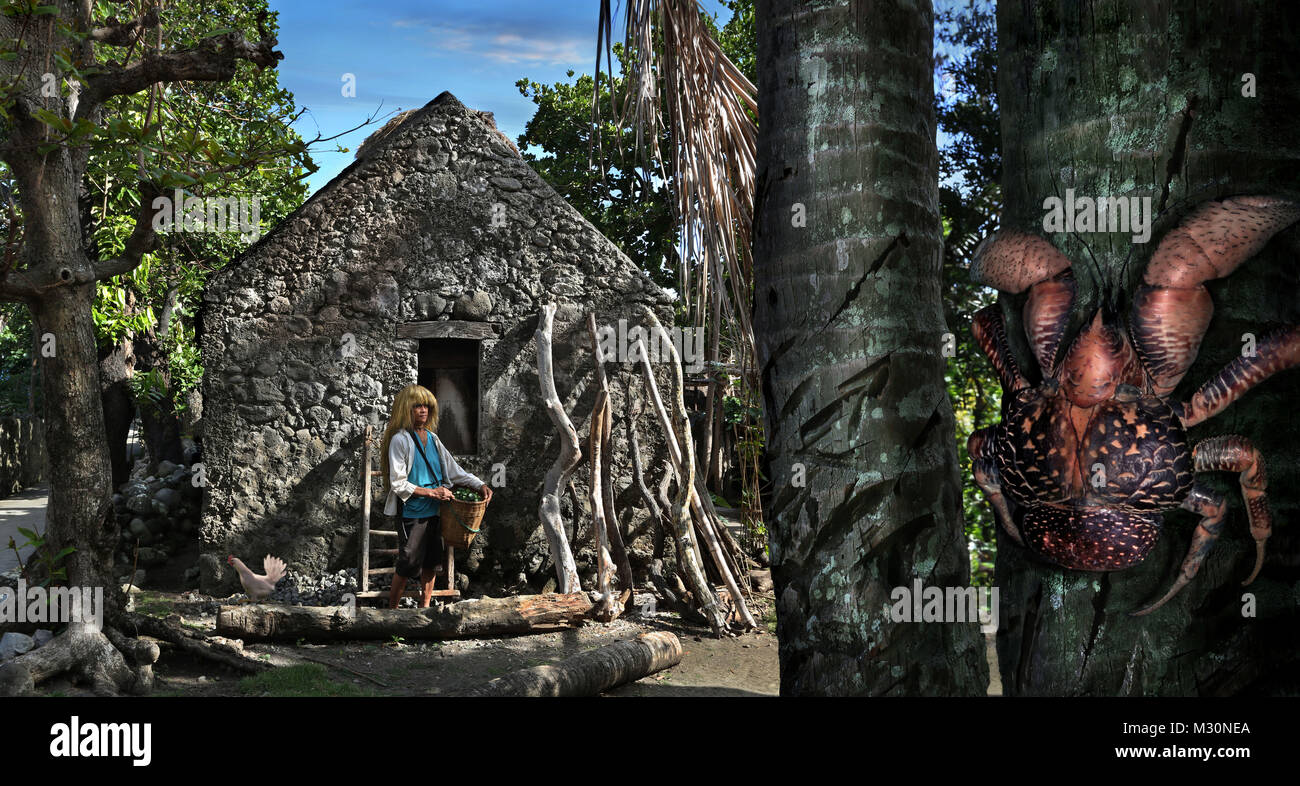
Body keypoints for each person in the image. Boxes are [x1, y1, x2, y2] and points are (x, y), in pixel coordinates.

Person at [380, 384, 492, 608]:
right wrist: (433, 492)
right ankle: (390, 612)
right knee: (408, 561)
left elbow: (455, 471)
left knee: (432, 561)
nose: (423, 410)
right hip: (412, 511)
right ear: (406, 409)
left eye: (426, 406)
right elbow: (398, 483)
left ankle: (425, 608)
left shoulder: (433, 439)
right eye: (417, 406)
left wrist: (481, 484)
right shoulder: (400, 440)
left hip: (434, 511)